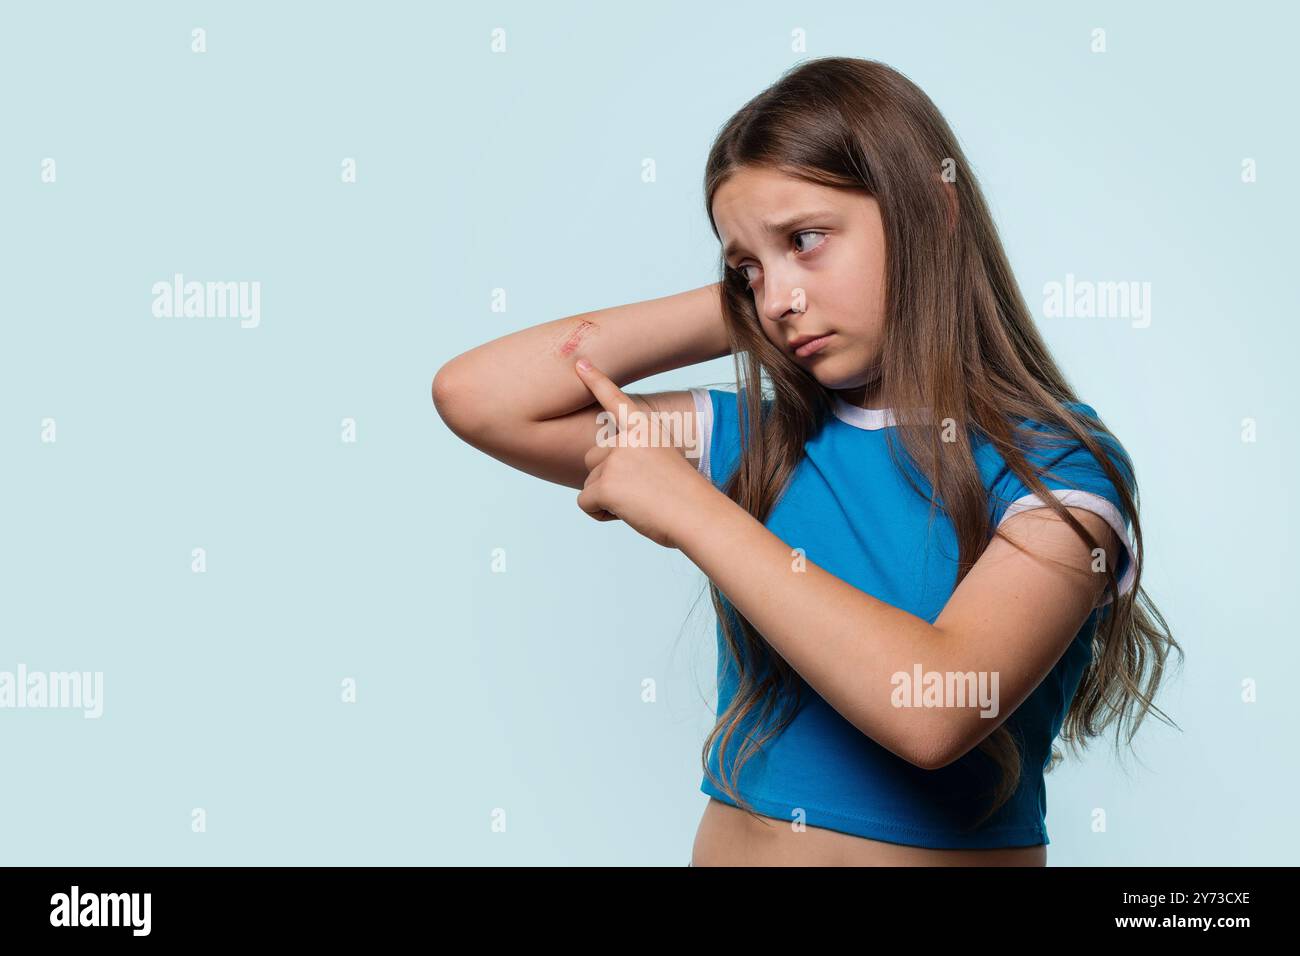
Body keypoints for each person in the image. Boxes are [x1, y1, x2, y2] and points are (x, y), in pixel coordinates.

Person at [432, 56, 1181, 866]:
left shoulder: (1056, 463)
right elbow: (479, 396)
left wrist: (691, 510)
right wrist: (753, 300)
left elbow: (933, 711)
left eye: (806, 239)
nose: (777, 298)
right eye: (746, 268)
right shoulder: (759, 437)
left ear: (930, 211)